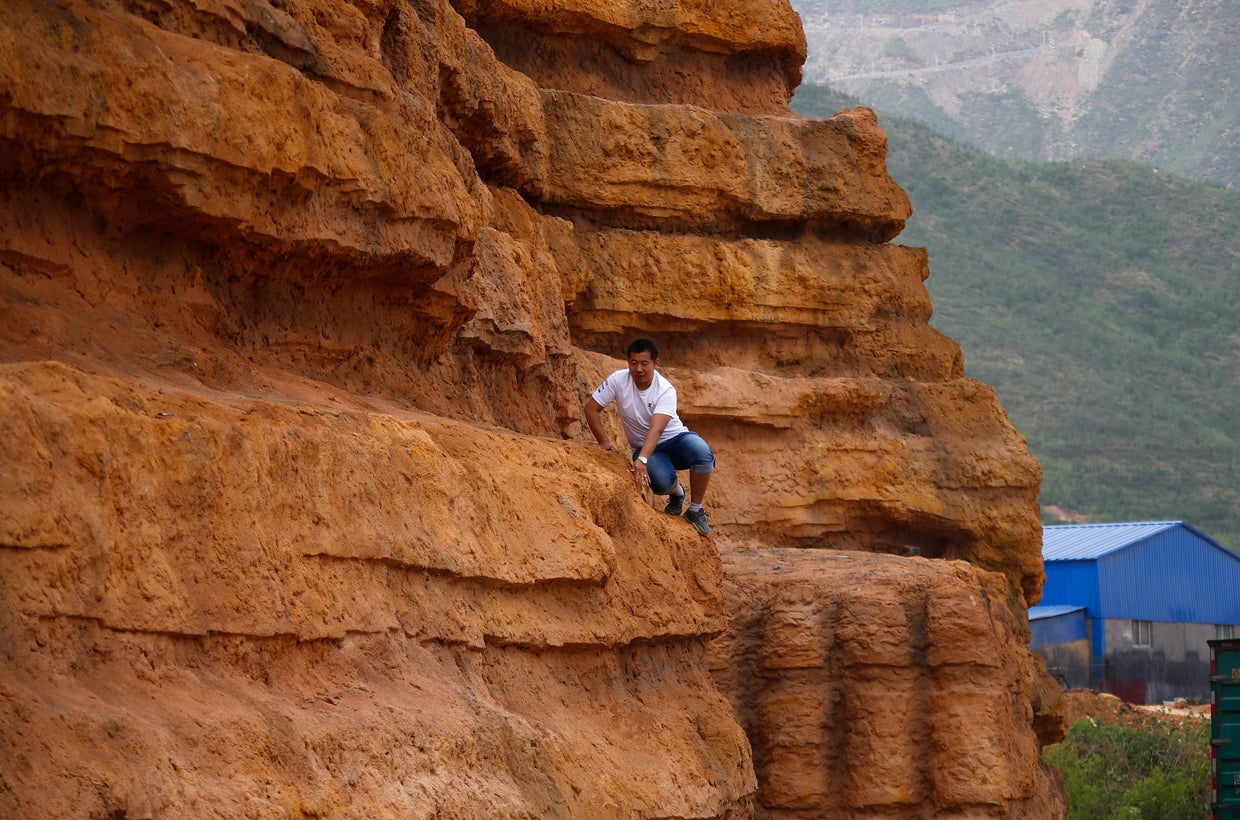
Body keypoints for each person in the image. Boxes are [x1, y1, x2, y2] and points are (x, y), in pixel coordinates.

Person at [583, 338, 715, 535]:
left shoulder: (665, 390)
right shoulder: (618, 380)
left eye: (644, 363)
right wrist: (604, 442)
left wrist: (641, 460)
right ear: (627, 362)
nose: (638, 369)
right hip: (650, 450)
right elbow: (591, 409)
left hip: (676, 441)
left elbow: (656, 430)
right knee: (661, 483)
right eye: (633, 362)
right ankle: (677, 493)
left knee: (703, 453)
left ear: (656, 364)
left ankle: (695, 510)